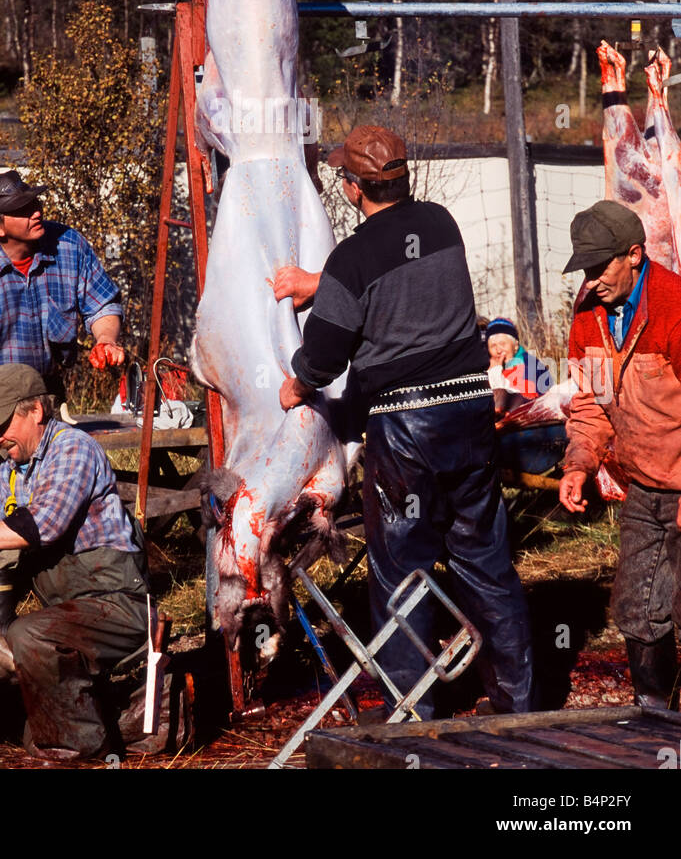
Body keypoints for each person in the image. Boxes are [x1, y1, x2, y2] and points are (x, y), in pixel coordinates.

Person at [275, 123, 533, 718]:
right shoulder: (441, 224)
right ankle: (519, 704)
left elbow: (323, 356)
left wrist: (298, 382)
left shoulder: (351, 258)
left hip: (406, 430)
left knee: (401, 570)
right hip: (469, 414)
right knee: (485, 559)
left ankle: (413, 714)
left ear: (351, 187)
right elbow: (405, 289)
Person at [0, 169, 126, 623]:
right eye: (22, 210)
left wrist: (105, 339)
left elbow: (103, 305)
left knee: (59, 496)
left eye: (35, 203)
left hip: (45, 400)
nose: (36, 212)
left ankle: (74, 600)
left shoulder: (69, 245)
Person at [0, 363, 149, 761]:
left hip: (119, 606)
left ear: (36, 412)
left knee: (28, 636)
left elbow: (41, 525)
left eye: (4, 422)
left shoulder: (72, 448)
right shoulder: (12, 469)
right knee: (27, 723)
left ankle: (85, 752)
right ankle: (113, 717)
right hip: (70, 614)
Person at [559, 198, 681, 709]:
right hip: (644, 487)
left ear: (634, 254)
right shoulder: (589, 315)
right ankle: (657, 726)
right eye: (585, 267)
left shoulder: (675, 307)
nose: (593, 278)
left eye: (601, 264)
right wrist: (579, 463)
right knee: (637, 608)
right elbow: (590, 404)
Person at [485, 317, 553, 417]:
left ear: (515, 345)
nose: (498, 350)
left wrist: (495, 373)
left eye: (502, 344)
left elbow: (519, 402)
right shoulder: (490, 367)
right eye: (493, 346)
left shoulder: (528, 365)